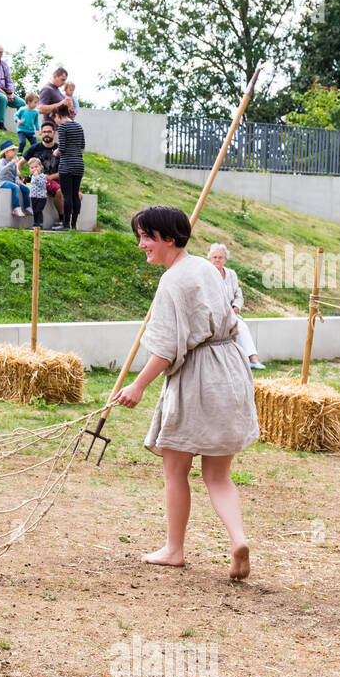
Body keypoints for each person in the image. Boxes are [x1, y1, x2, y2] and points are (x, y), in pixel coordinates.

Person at [116, 206, 258, 581]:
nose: (141, 244)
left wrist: (138, 385)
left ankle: (174, 549)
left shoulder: (173, 281)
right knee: (218, 475)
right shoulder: (207, 269)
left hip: (197, 376)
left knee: (175, 470)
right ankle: (238, 539)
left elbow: (164, 349)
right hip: (231, 368)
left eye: (147, 236)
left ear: (170, 238)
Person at [208, 243, 266, 370]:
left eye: (220, 257)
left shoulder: (231, 274)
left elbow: (238, 294)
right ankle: (246, 360)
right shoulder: (207, 274)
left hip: (231, 313)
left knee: (241, 326)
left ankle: (253, 359)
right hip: (215, 314)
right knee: (236, 326)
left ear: (225, 259)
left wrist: (236, 307)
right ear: (210, 259)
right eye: (215, 257)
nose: (217, 260)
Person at [51, 102, 85, 230]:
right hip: (79, 164)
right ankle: (74, 225)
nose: (55, 121)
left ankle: (65, 225)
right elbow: (82, 147)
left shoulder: (63, 127)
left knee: (67, 195)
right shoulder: (78, 126)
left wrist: (55, 152)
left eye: (54, 118)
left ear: (59, 115)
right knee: (75, 194)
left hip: (67, 165)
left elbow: (62, 148)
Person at [22, 123, 64, 218]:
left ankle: (72, 223)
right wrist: (17, 175)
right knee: (59, 191)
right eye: (44, 132)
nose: (46, 134)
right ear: (40, 133)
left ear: (54, 133)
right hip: (41, 180)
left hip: (58, 179)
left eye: (49, 132)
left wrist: (50, 177)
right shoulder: (35, 148)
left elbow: (65, 170)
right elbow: (20, 163)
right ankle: (63, 219)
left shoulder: (60, 149)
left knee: (79, 195)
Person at [0, 140, 30, 218]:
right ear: (6, 152)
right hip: (3, 182)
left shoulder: (13, 163)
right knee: (16, 187)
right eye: (12, 150)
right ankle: (16, 208)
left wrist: (17, 180)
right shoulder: (1, 162)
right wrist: (12, 163)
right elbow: (1, 172)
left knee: (26, 189)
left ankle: (27, 207)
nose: (15, 152)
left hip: (12, 182)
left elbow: (15, 174)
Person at [15, 91, 39, 155]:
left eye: (37, 102)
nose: (36, 104)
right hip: (21, 130)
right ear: (29, 102)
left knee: (35, 144)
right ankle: (19, 154)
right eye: (35, 102)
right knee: (22, 142)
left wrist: (38, 129)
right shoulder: (22, 109)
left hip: (31, 132)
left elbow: (36, 121)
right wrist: (18, 120)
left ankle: (34, 156)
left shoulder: (35, 112)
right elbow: (16, 116)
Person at [27, 157, 48, 228]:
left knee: (39, 210)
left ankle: (40, 223)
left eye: (36, 167)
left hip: (41, 197)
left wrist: (37, 177)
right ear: (29, 169)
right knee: (35, 211)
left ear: (40, 167)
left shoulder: (42, 176)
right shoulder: (32, 176)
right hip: (33, 197)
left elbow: (42, 184)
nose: (34, 169)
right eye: (32, 168)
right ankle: (35, 222)